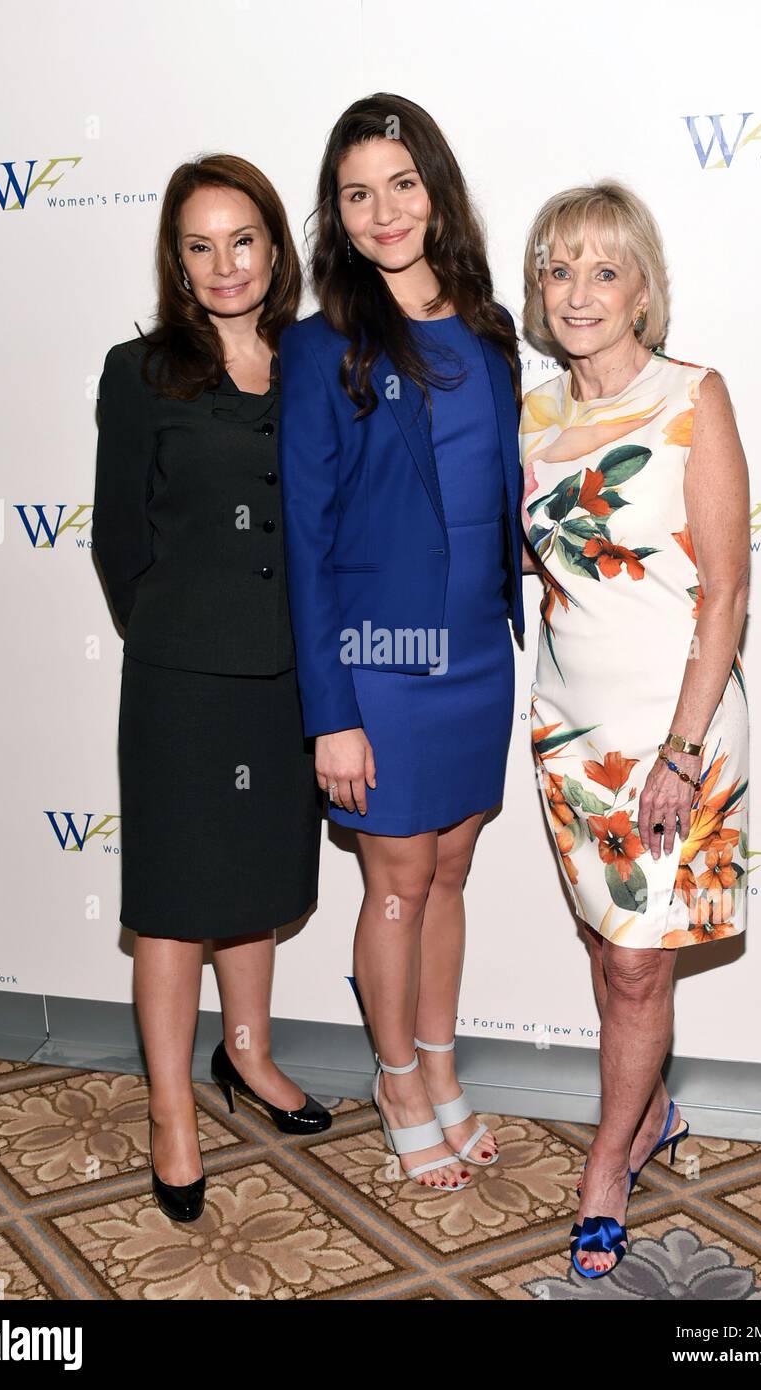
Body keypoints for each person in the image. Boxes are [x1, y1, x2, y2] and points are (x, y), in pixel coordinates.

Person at [279, 93, 526, 1191]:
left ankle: (437, 1062)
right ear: (335, 214)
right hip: (378, 659)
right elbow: (302, 532)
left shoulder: (489, 330)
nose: (383, 211)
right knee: (395, 880)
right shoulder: (320, 347)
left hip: (474, 650)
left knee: (451, 868)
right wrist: (328, 708)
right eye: (355, 193)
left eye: (401, 184)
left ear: (435, 189)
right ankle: (392, 1078)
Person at [92, 155, 330, 1225]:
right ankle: (171, 1113)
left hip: (288, 677)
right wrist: (182, 630)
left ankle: (251, 1059)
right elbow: (118, 543)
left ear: (275, 250)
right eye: (200, 245)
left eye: (243, 240)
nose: (224, 264)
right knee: (175, 905)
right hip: (183, 680)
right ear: (177, 263)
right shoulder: (138, 372)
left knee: (256, 883)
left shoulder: (313, 360)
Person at [519, 180, 750, 1276]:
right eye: (557, 268)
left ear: (641, 289)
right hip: (567, 735)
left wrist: (679, 750)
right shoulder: (531, 413)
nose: (577, 290)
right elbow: (534, 563)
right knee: (611, 956)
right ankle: (648, 1111)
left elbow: (724, 596)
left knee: (632, 968)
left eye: (601, 269)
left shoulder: (691, 396)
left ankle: (607, 1161)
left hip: (673, 733)